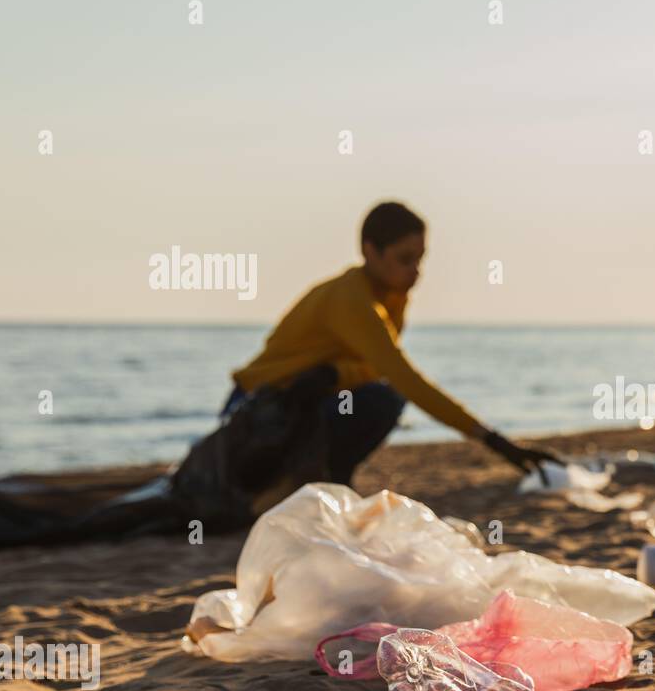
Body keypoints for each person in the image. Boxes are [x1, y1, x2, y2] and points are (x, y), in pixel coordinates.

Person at [228, 201, 560, 486]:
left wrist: (336, 375)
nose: (416, 271)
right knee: (384, 399)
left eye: (420, 259)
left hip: (302, 404)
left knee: (377, 396)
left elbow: (374, 366)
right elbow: (404, 378)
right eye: (405, 259)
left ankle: (323, 482)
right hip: (255, 410)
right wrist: (494, 441)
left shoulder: (391, 298)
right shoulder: (352, 299)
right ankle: (317, 483)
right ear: (370, 251)